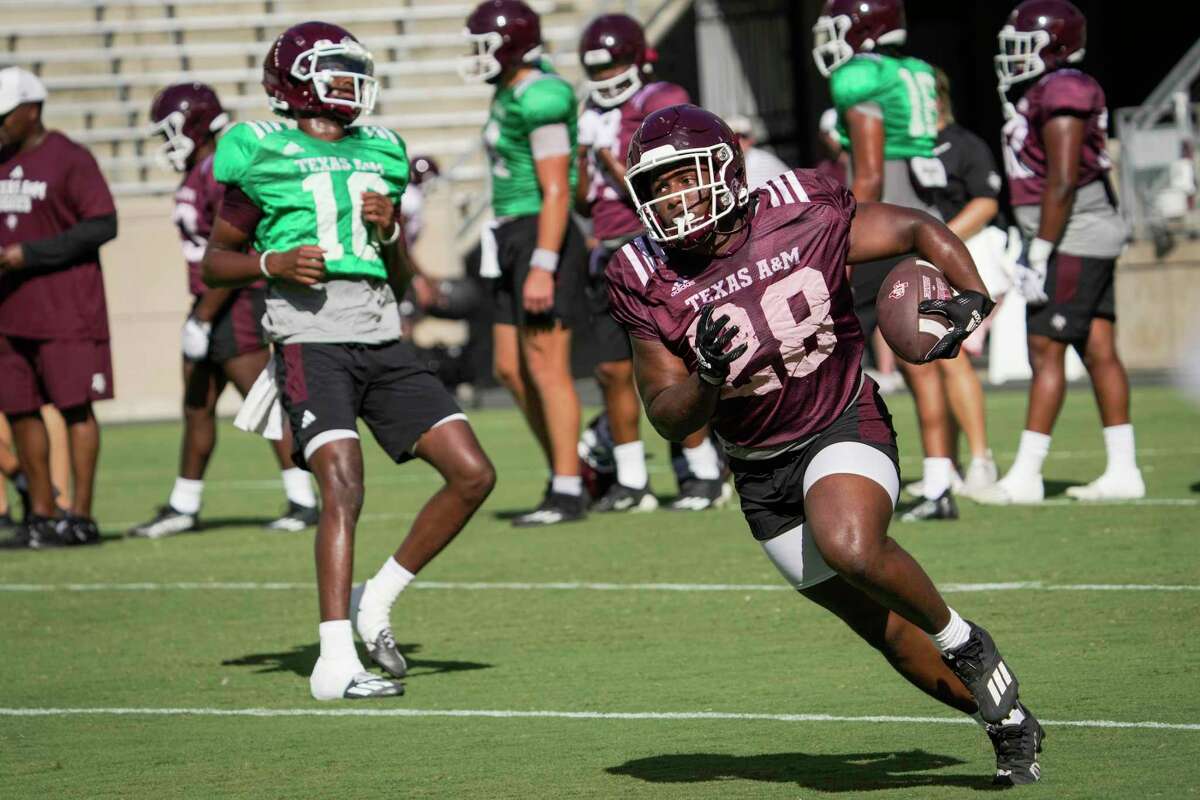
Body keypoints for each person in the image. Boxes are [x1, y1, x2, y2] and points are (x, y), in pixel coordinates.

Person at [608, 103, 1042, 786]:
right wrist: (707, 378)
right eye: (656, 187)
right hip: (758, 473)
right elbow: (667, 415)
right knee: (890, 635)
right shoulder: (642, 275)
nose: (672, 198)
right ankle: (1009, 723)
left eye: (682, 177)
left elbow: (917, 227)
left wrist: (971, 297)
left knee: (850, 543)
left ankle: (965, 640)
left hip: (840, 419)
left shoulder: (798, 206)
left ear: (724, 169)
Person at [203, 21, 496, 700]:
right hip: (311, 340)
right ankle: (334, 660)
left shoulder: (383, 151)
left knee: (473, 473)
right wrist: (270, 261)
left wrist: (389, 229)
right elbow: (216, 263)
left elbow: (393, 269)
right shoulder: (260, 150)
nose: (351, 84)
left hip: (381, 332)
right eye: (335, 70)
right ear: (297, 78)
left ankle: (377, 597)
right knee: (342, 481)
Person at [129, 82, 318, 539]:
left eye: (169, 131)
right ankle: (183, 503)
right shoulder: (200, 171)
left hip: (235, 298)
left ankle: (304, 498)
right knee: (197, 405)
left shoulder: (220, 170)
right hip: (210, 301)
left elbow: (234, 247)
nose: (166, 144)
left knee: (265, 403)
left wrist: (204, 316)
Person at [978, 0, 1141, 504]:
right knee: (1096, 347)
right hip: (1075, 232)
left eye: (1026, 43)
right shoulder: (1040, 91)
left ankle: (1026, 476)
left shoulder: (1064, 88)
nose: (1015, 54)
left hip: (1072, 234)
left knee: (1045, 348)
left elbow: (1064, 179)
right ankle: (1123, 469)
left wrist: (1042, 249)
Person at [813, 0, 965, 521]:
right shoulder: (916, 70)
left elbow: (871, 172)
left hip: (883, 228)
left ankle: (820, 474)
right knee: (923, 356)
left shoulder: (861, 76)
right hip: (922, 218)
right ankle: (942, 479)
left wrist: (844, 242)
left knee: (822, 350)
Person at [573, 12, 728, 512]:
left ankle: (703, 471)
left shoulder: (658, 101)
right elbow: (582, 202)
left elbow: (662, 182)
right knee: (612, 372)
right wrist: (583, 159)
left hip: (653, 243)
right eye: (595, 69)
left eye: (610, 65)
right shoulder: (591, 112)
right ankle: (632, 479)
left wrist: (611, 164)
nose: (602, 78)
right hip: (606, 249)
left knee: (678, 365)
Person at [460, 0, 588, 526]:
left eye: (484, 44)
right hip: (511, 233)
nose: (477, 56)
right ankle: (569, 466)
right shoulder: (509, 90)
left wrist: (542, 262)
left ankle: (568, 487)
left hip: (541, 229)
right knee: (509, 368)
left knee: (546, 367)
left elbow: (557, 188)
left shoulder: (542, 95)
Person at [0, 66, 118, 548]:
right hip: (9, 312)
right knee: (18, 410)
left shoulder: (70, 158)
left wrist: (28, 254)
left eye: (5, 115)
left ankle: (81, 516)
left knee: (75, 408)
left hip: (66, 308)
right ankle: (41, 514)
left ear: (32, 109)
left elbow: (103, 224)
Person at [900, 69, 1002, 501]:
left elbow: (986, 201)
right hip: (919, 266)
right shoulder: (903, 148)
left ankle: (981, 460)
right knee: (926, 361)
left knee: (951, 357)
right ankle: (947, 465)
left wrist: (938, 238)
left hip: (958, 261)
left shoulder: (965, 145)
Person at [725, 114, 789, 190]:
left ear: (752, 139)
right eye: (733, 137)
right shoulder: (717, 164)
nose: (739, 141)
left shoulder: (769, 162)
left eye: (743, 136)